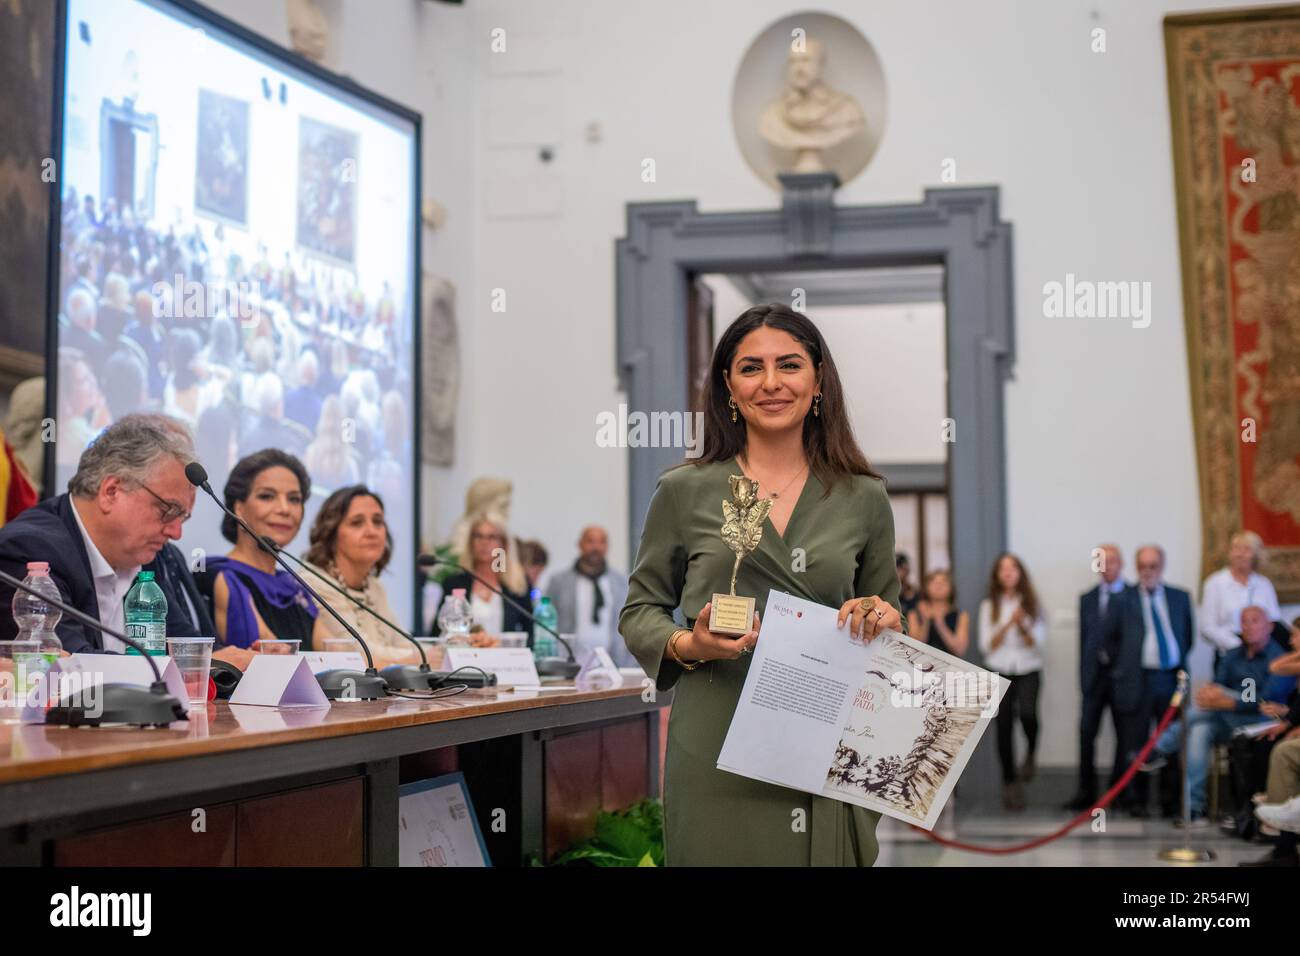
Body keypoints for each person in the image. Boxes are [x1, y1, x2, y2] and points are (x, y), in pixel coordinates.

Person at [620, 302, 902, 866]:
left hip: (822, 732)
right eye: (750, 368)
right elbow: (641, 610)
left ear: (818, 380)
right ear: (728, 385)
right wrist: (688, 644)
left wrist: (885, 617)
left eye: (789, 365)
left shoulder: (861, 496)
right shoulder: (684, 490)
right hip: (717, 737)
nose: (770, 383)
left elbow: (889, 614)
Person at [0, 414, 234, 660]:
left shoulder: (141, 553)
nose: (176, 532)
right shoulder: (30, 550)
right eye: (168, 511)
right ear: (111, 491)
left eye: (182, 517)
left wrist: (240, 663)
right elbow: (70, 667)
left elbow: (183, 646)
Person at [1147, 606, 1293, 828]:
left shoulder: (1279, 659)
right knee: (1199, 731)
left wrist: (1225, 699)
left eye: (1254, 621)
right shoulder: (1233, 654)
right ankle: (1194, 809)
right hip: (1226, 720)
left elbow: (1264, 701)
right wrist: (1215, 696)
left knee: (1206, 709)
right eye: (1244, 621)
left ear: (1269, 626)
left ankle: (1159, 748)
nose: (1248, 626)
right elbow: (1216, 685)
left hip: (1260, 722)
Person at [195, 449, 323, 649]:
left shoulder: (291, 584)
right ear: (238, 508)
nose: (284, 509)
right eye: (267, 496)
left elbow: (339, 651)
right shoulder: (224, 576)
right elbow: (270, 658)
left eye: (294, 499)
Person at [1104, 544, 1194, 817]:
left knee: (1170, 739)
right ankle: (1136, 800)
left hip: (1169, 678)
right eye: (1142, 566)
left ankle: (1170, 801)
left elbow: (1186, 637)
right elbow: (1110, 640)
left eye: (1153, 566)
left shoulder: (1179, 597)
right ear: (1136, 567)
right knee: (1136, 742)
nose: (1147, 572)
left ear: (1162, 566)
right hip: (1137, 680)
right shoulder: (1123, 599)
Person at [302, 485, 415, 665]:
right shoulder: (315, 583)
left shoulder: (374, 586)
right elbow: (359, 653)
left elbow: (406, 643)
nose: (372, 532)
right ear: (330, 533)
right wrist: (416, 659)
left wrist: (451, 650)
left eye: (378, 521)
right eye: (357, 523)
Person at [978, 552, 1046, 811]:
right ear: (997, 575)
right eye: (1002, 568)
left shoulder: (1032, 603)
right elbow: (987, 646)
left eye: (1013, 568)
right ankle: (1010, 784)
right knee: (1003, 727)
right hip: (999, 668)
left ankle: (1030, 751)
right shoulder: (989, 606)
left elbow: (1038, 644)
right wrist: (1008, 624)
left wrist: (1023, 625)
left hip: (1029, 667)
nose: (1008, 572)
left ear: (1020, 573)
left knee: (1028, 714)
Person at [1065, 543, 1128, 812]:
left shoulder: (1133, 596)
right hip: (1094, 679)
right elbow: (1085, 641)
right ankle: (1085, 791)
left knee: (1123, 735)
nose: (1106, 567)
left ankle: (1119, 791)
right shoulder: (1087, 598)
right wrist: (1083, 676)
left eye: (1111, 561)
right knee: (1086, 733)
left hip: (1122, 678)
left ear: (1120, 563)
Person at [434, 512, 531, 641]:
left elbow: (531, 633)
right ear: (470, 542)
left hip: (505, 658)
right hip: (465, 658)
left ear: (504, 544)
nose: (484, 543)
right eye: (478, 536)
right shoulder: (454, 583)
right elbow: (437, 632)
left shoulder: (517, 584)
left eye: (491, 537)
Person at [546, 525, 634, 667]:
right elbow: (547, 623)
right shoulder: (559, 582)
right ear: (580, 545)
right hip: (569, 663)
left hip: (614, 664)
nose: (596, 547)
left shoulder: (622, 582)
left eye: (602, 542)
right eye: (590, 541)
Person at [1199, 531, 1282, 654]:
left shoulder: (1264, 584)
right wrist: (1239, 645)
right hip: (1229, 653)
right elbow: (1207, 627)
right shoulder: (1215, 584)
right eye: (1236, 549)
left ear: (1256, 555)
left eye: (1246, 549)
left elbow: (1273, 620)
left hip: (1262, 654)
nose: (1240, 554)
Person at [907, 569, 968, 657]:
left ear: (951, 588)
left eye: (944, 581)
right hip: (920, 665)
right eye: (933, 581)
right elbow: (913, 648)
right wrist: (925, 621)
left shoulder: (961, 615)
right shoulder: (914, 613)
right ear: (926, 587)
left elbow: (960, 650)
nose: (939, 585)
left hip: (950, 667)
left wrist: (939, 622)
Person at [896, 552, 919, 619]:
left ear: (907, 570)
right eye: (896, 567)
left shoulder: (915, 593)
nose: (898, 571)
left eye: (901, 568)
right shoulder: (884, 592)